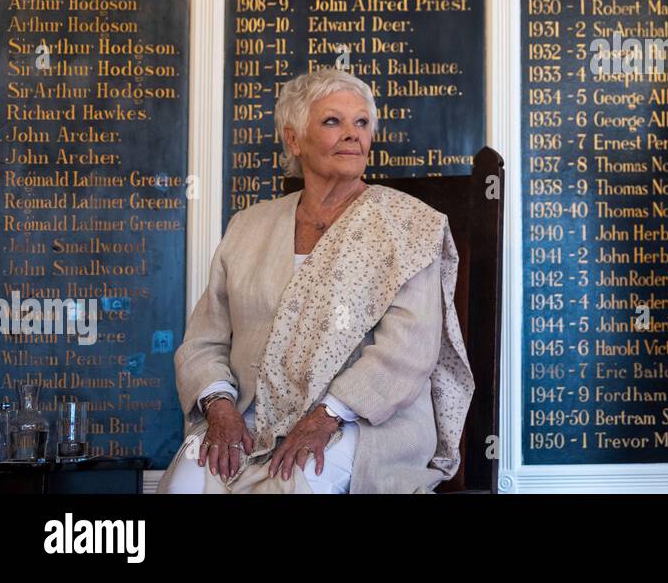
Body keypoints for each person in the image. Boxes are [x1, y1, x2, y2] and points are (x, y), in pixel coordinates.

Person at [157, 68, 473, 493]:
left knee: (294, 483)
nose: (352, 134)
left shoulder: (408, 226)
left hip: (363, 420)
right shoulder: (249, 226)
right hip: (252, 415)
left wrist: (325, 416)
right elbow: (204, 340)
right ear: (293, 139)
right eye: (332, 121)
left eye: (361, 122)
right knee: (186, 485)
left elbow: (408, 351)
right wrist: (220, 408)